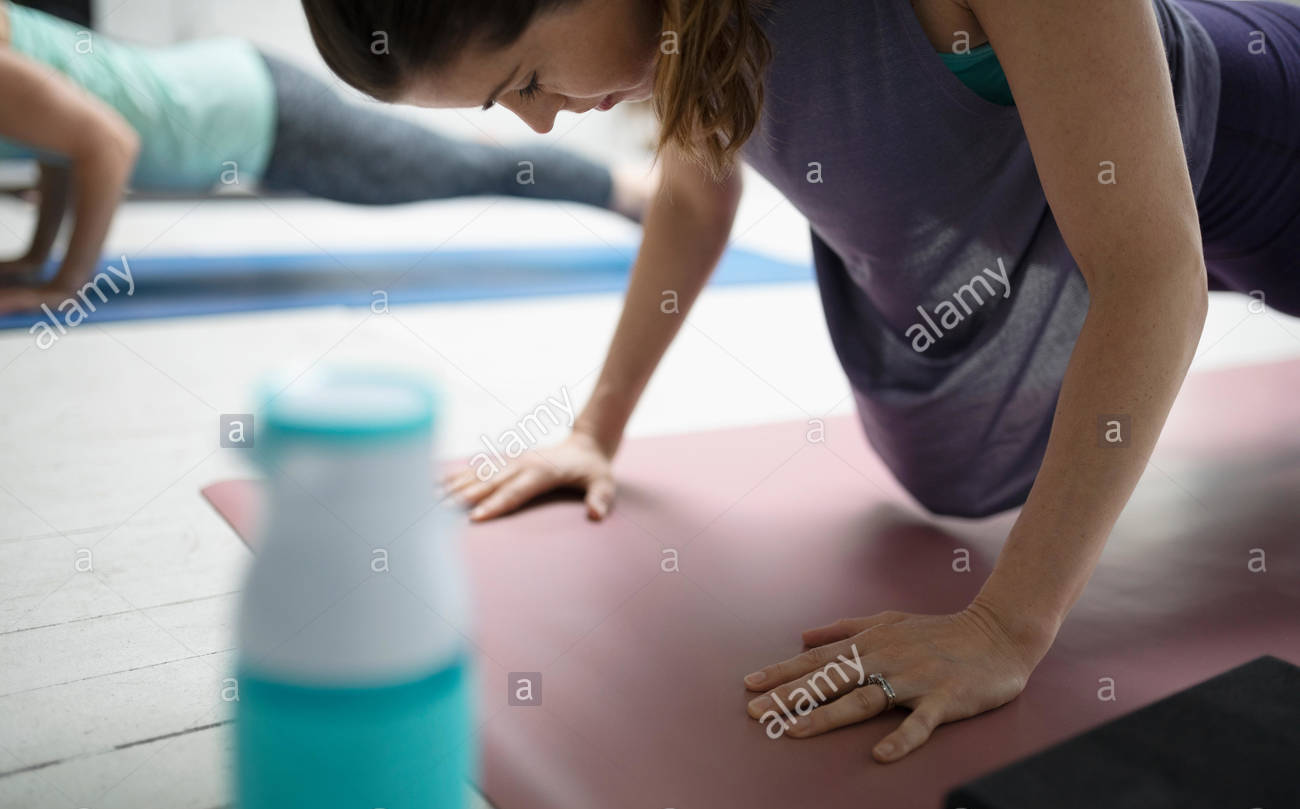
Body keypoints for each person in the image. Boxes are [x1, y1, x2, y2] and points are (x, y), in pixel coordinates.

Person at [302, 0, 1300, 762]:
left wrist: (1005, 624)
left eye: (521, 80)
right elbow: (696, 190)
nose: (539, 126)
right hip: (1150, 207)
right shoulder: (692, 24)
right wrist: (594, 427)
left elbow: (1148, 277)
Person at [0, 1, 650, 315]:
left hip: (263, 115)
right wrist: (37, 258)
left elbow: (105, 145)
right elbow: (62, 144)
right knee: (450, 158)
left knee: (463, 168)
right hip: (242, 97)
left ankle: (630, 191)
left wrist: (65, 284)